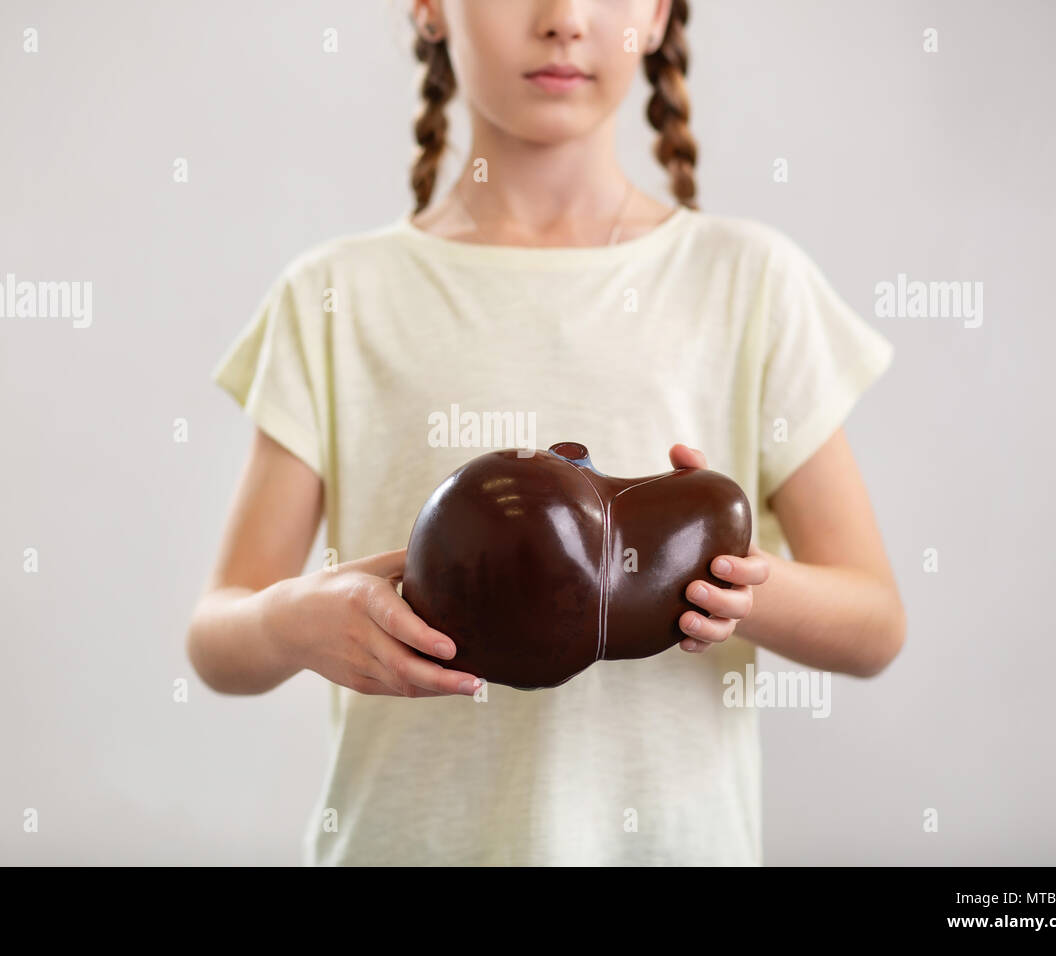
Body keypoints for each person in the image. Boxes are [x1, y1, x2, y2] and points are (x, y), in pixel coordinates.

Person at [187, 0, 905, 865]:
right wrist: (292, 623)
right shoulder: (337, 297)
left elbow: (875, 623)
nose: (565, 18)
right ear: (428, 9)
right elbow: (218, 635)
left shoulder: (751, 285)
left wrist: (731, 588)